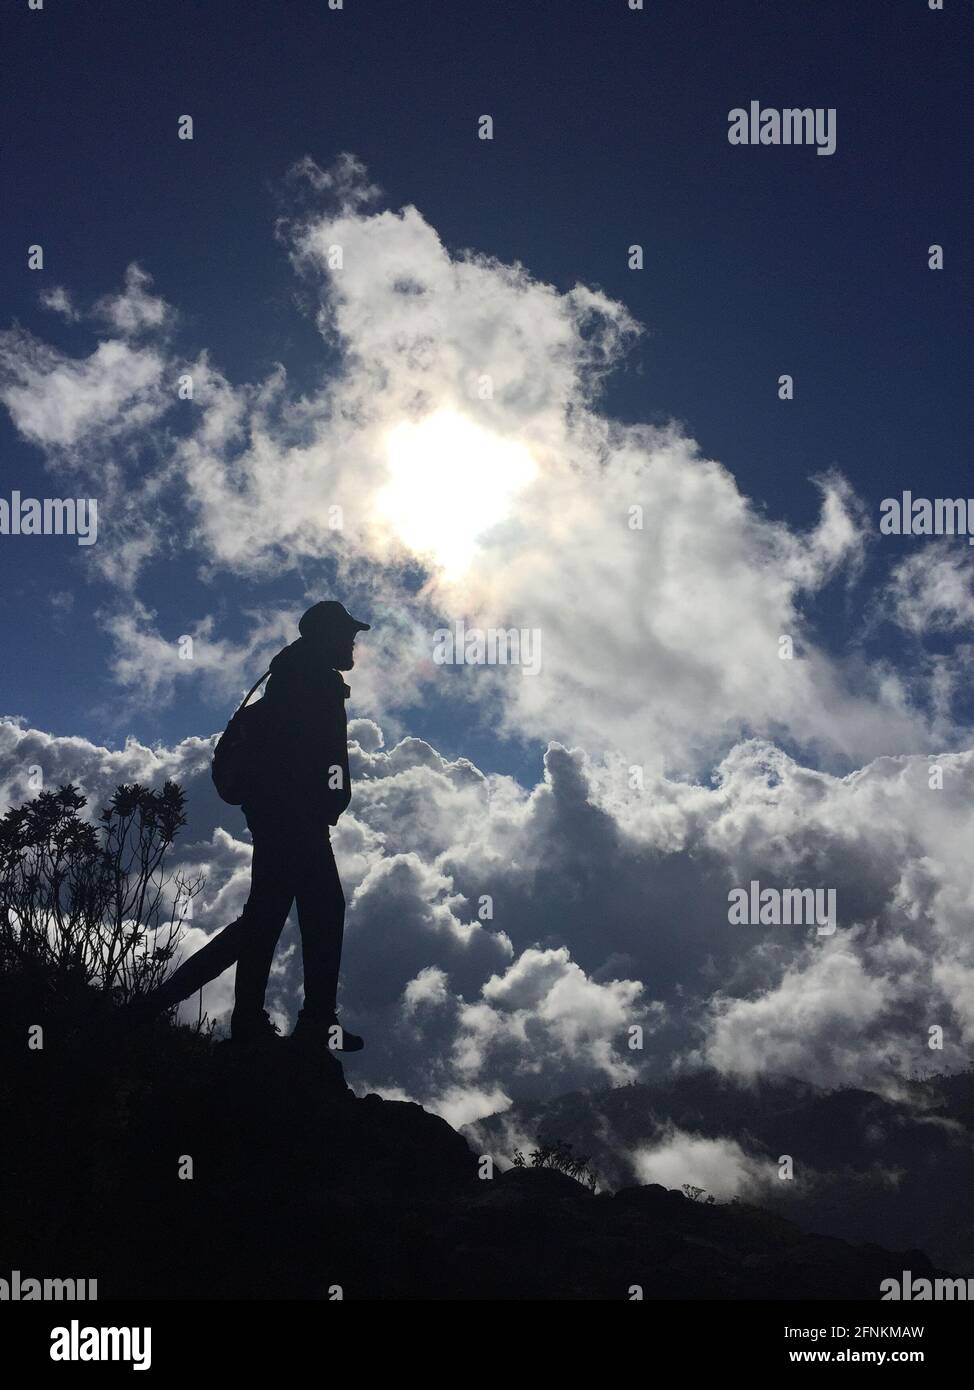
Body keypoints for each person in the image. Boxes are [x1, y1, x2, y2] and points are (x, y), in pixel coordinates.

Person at [142, 600, 369, 1051]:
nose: (352, 643)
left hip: (285, 818)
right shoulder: (309, 682)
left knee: (269, 920)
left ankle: (249, 1020)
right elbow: (307, 755)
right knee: (311, 912)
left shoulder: (296, 676)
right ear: (325, 635)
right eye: (347, 635)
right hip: (294, 821)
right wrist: (320, 802)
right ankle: (305, 1024)